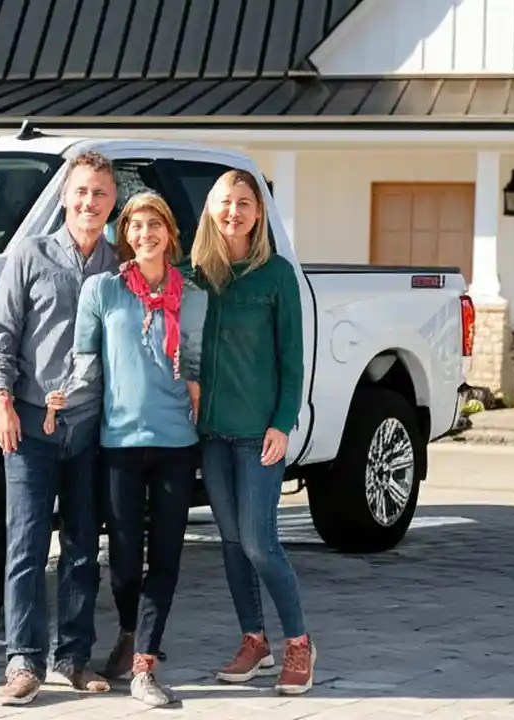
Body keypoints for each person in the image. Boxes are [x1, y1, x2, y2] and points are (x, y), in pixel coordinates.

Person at [46, 191, 205, 708]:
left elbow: (198, 361)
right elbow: (86, 358)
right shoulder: (103, 290)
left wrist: (198, 391)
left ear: (169, 233)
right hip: (120, 443)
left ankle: (144, 666)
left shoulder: (194, 294)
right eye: (135, 225)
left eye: (154, 224)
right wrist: (62, 396)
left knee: (165, 556)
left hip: (177, 444)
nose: (144, 234)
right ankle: (130, 632)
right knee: (123, 561)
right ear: (124, 235)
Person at [0, 151, 121, 706]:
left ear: (113, 203)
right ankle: (22, 662)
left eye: (101, 194)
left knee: (85, 549)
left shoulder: (120, 266)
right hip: (30, 428)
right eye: (82, 191)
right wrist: (0, 402)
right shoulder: (29, 254)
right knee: (27, 546)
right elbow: (2, 334)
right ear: (66, 195)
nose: (90, 202)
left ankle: (74, 657)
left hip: (90, 429)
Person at [187, 168, 316, 695]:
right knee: (233, 543)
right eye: (225, 201)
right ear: (211, 210)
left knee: (261, 543)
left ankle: (299, 644)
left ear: (258, 213)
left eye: (245, 202)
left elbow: (293, 359)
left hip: (260, 434)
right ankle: (254, 640)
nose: (234, 211)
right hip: (212, 435)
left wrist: (283, 424)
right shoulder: (196, 275)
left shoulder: (277, 274)